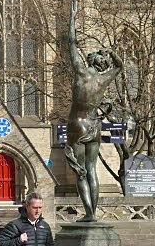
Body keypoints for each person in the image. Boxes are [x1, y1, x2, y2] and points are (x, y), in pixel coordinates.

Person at [65, 49, 121, 222]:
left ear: (90, 61)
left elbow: (71, 44)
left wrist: (72, 21)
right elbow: (119, 65)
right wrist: (112, 53)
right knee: (92, 170)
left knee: (81, 172)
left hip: (78, 125)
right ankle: (93, 214)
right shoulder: (103, 79)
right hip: (94, 126)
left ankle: (89, 214)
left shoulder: (81, 72)